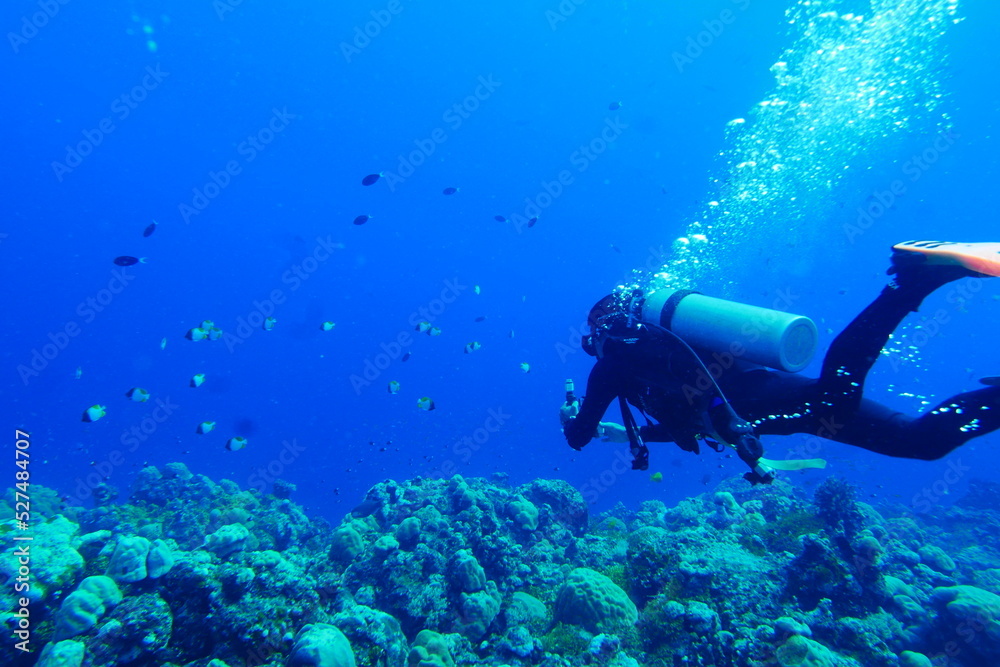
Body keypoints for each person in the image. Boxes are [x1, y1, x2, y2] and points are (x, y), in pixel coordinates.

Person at [561, 240, 1000, 484]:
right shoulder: (644, 361)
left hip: (758, 403)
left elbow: (580, 438)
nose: (592, 347)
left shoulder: (615, 364)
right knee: (920, 442)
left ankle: (910, 282)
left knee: (834, 398)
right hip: (768, 402)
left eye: (591, 339)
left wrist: (573, 422)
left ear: (601, 331)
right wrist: (627, 436)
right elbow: (690, 417)